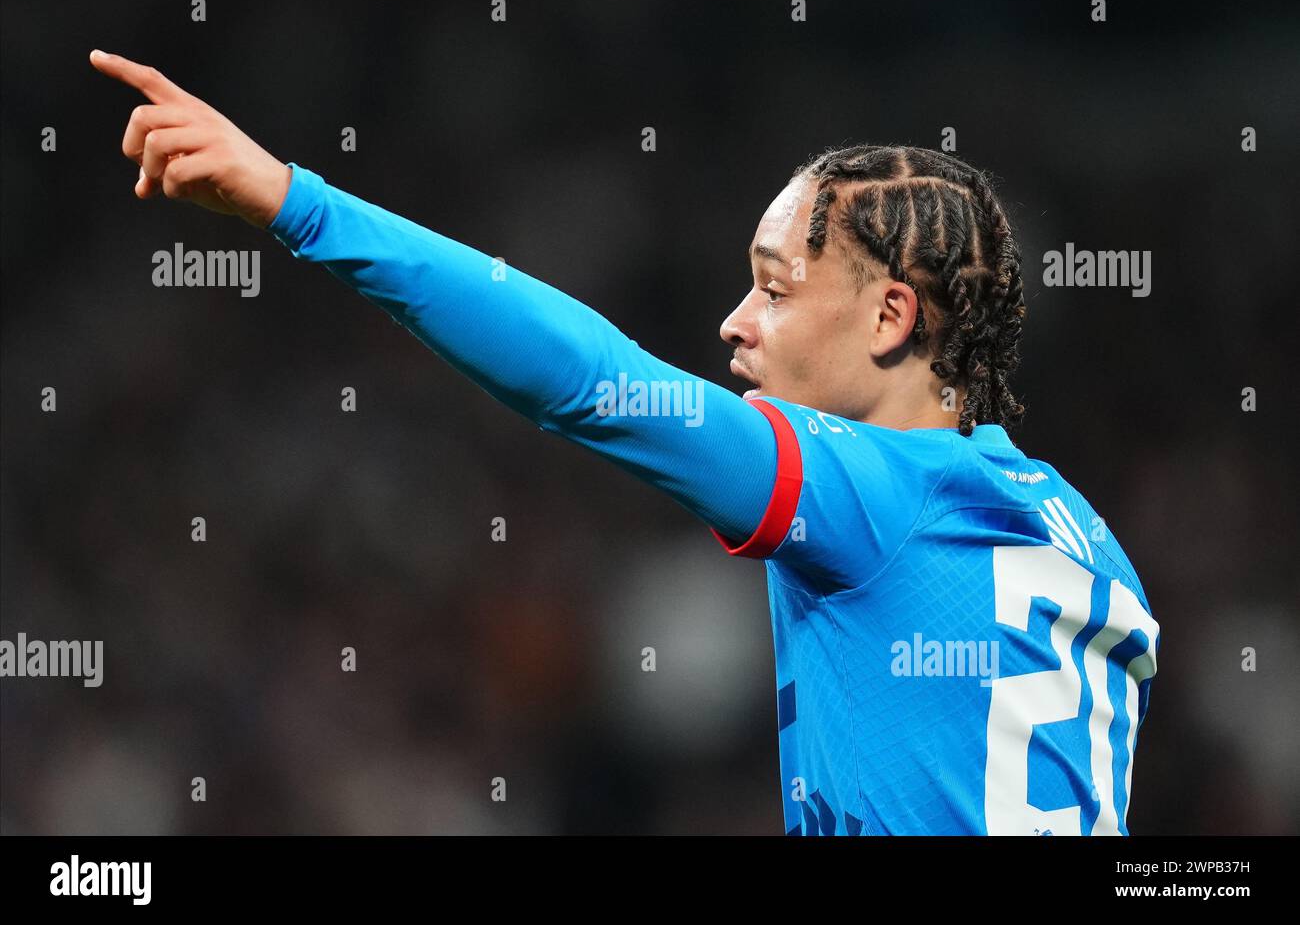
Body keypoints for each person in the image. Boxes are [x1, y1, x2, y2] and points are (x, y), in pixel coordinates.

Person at [90, 49, 1159, 835]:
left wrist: (299, 204)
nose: (735, 322)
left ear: (888, 318)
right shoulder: (1090, 547)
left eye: (775, 287)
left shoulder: (871, 493)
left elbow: (596, 385)